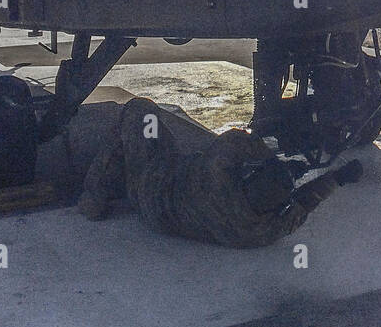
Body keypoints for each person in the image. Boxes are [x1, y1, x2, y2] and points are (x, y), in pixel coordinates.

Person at [78, 97, 362, 248]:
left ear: (248, 179)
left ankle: (93, 199)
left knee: (140, 110)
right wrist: (337, 178)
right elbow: (304, 203)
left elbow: (237, 139)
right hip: (162, 219)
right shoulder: (259, 233)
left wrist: (274, 161)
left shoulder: (217, 172)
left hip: (151, 182)